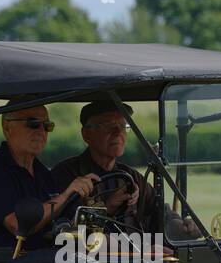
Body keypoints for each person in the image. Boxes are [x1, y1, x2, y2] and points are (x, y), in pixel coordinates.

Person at [51, 100, 199, 239]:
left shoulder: (131, 176)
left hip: (136, 258)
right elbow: (64, 232)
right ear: (86, 135)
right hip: (89, 262)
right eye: (109, 126)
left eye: (123, 126)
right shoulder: (66, 175)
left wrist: (183, 226)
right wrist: (107, 207)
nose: (118, 133)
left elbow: (158, 212)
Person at [0, 102, 97, 247]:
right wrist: (65, 195)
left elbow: (56, 224)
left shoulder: (42, 173)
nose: (41, 131)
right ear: (7, 127)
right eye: (33, 123)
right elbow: (17, 226)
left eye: (47, 125)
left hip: (37, 262)